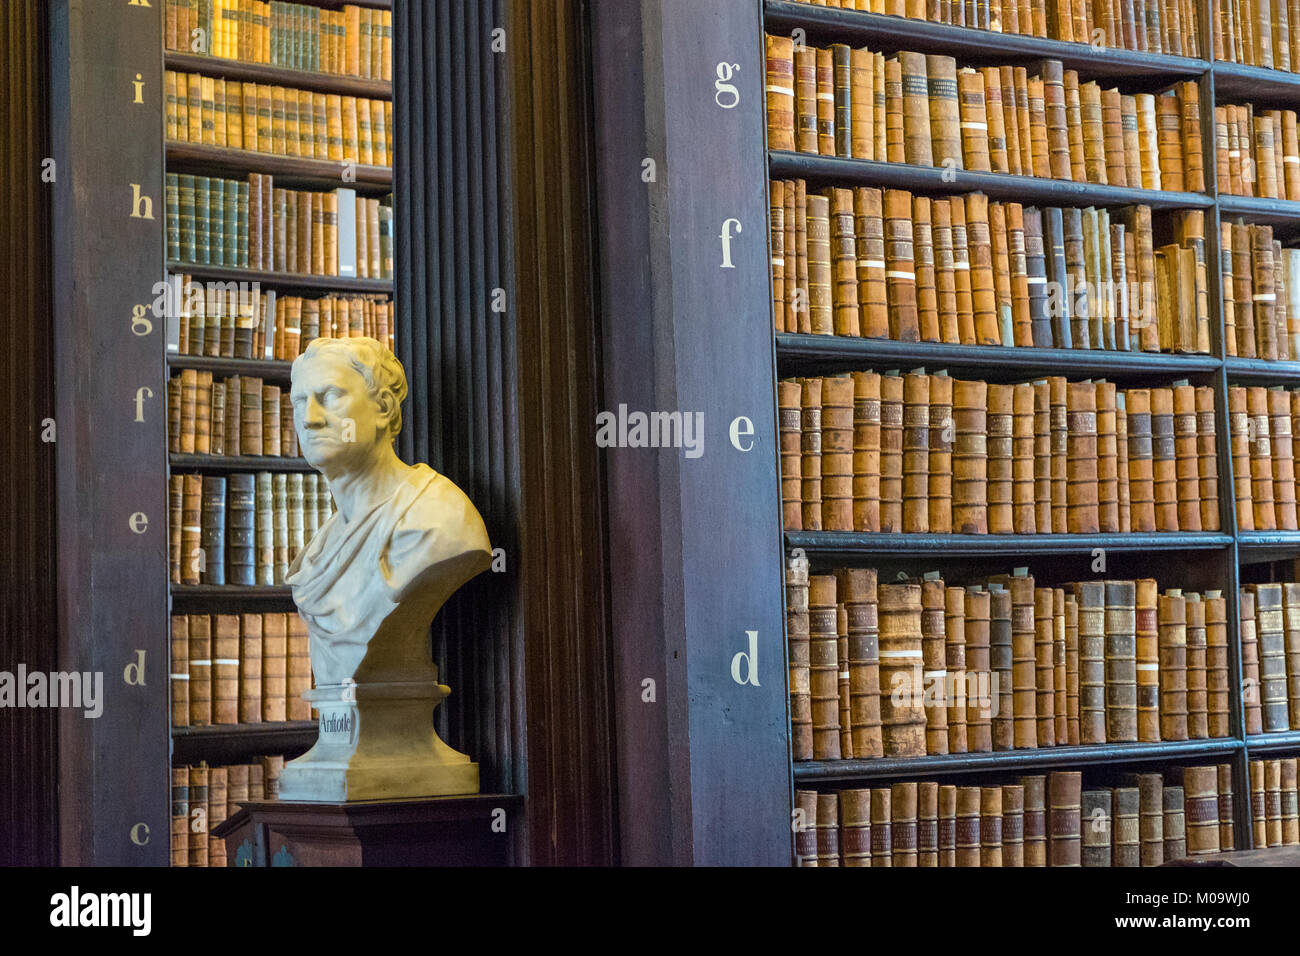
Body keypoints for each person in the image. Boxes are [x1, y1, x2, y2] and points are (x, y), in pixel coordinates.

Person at [285, 336, 492, 688]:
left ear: (382, 407)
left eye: (330, 396)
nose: (309, 418)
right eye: (299, 401)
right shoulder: (320, 549)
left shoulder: (437, 518)